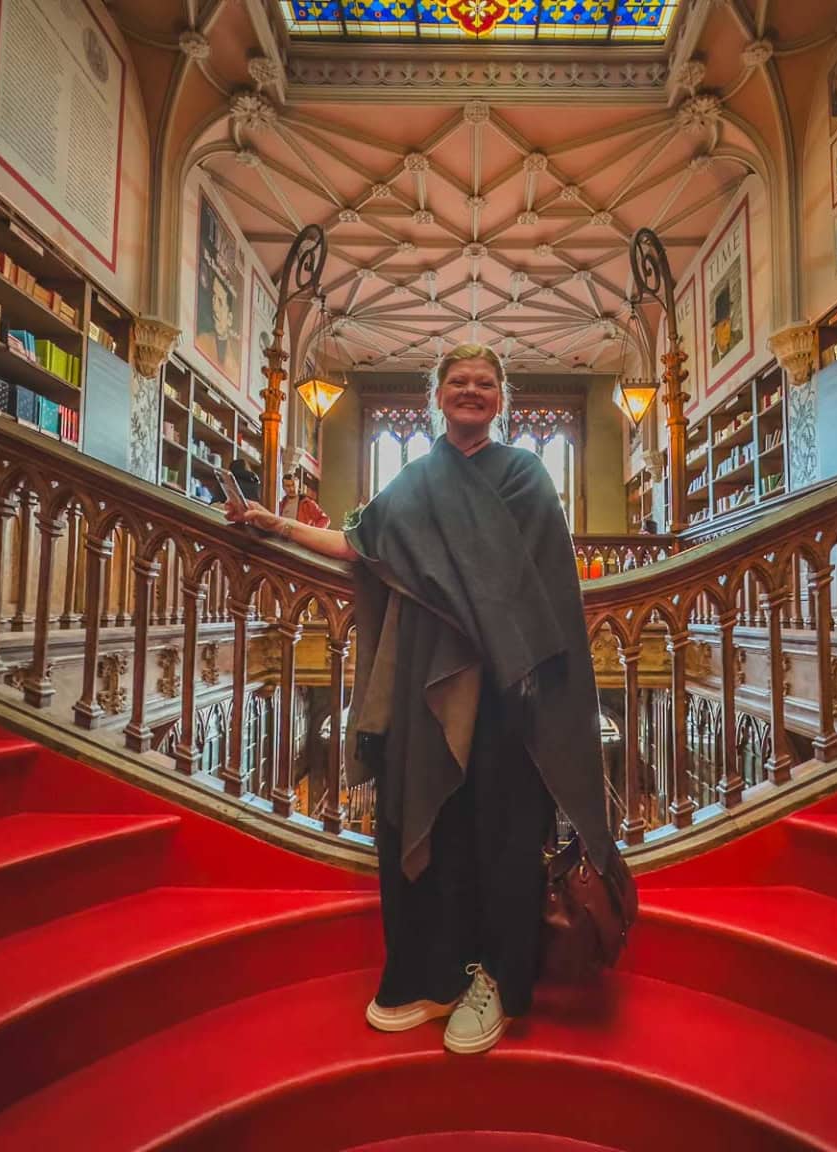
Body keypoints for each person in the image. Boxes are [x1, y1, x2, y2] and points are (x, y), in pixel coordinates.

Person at [228, 343, 622, 1055]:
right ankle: (435, 974)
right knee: (434, 827)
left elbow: (545, 590)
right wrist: (276, 524)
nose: (471, 391)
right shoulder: (415, 480)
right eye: (458, 382)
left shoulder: (527, 475)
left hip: (506, 692)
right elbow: (358, 544)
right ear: (437, 397)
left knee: (504, 834)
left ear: (501, 400)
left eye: (485, 383)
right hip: (427, 685)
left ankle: (499, 979)